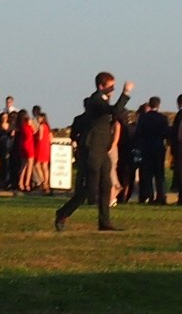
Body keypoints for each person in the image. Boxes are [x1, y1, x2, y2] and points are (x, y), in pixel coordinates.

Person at [55, 73, 136, 232]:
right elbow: (114, 111)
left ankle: (104, 222)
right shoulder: (95, 101)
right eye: (111, 87)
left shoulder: (102, 101)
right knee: (88, 190)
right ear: (101, 86)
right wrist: (125, 93)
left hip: (102, 150)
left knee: (106, 186)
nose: (113, 90)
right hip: (92, 150)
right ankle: (62, 213)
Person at [134, 100, 173, 203]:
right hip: (159, 148)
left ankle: (148, 196)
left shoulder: (144, 118)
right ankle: (161, 196)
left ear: (150, 105)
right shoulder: (163, 118)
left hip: (146, 148)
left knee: (147, 174)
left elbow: (138, 133)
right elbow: (167, 133)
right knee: (159, 174)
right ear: (158, 105)